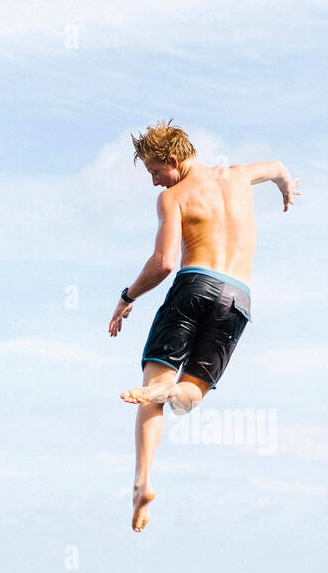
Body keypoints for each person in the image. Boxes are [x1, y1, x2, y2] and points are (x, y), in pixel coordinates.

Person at [108, 119, 300, 531]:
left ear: (173, 160)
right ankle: (177, 391)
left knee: (152, 396)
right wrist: (286, 188)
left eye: (154, 171)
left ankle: (142, 483)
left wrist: (127, 298)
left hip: (194, 286)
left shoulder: (174, 197)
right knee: (191, 395)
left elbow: (163, 264)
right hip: (238, 301)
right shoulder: (240, 176)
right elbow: (280, 168)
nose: (155, 182)